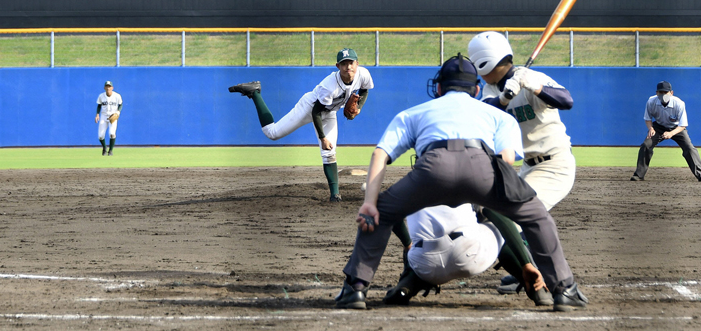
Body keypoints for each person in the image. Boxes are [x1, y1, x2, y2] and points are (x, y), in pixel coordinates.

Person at [334, 54, 587, 312]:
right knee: (536, 217)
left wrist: (370, 204)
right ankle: (564, 289)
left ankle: (355, 289)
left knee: (382, 211)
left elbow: (381, 154)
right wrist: (495, 195)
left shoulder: (415, 112)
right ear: (477, 90)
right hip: (483, 168)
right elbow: (506, 160)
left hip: (431, 169)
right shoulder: (496, 114)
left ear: (439, 88)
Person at [468, 30, 577, 295]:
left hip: (555, 165)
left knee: (514, 216)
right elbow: (489, 111)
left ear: (485, 63)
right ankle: (524, 270)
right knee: (495, 218)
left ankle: (546, 278)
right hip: (528, 167)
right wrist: (505, 98)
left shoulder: (531, 78)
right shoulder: (491, 90)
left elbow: (567, 101)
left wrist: (534, 86)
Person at [230, 48, 373, 202]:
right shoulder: (329, 86)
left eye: (351, 63)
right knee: (272, 133)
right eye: (344, 64)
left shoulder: (363, 74)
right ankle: (255, 92)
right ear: (338, 66)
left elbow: (364, 90)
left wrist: (359, 107)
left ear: (357, 63)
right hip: (310, 107)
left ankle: (335, 195)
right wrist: (322, 138)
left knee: (329, 153)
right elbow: (316, 112)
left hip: (330, 113)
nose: (348, 67)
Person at [383, 203, 554, 307]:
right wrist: (526, 264)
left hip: (424, 264)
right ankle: (536, 288)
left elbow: (388, 210)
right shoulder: (467, 175)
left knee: (417, 249)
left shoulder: (409, 183)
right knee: (499, 226)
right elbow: (497, 215)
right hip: (467, 255)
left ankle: (405, 286)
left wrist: (407, 243)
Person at [632, 81, 701, 182]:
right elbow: (647, 118)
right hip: (658, 127)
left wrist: (671, 133)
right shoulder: (651, 101)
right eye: (661, 92)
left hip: (676, 128)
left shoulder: (679, 103)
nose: (663, 94)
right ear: (657, 93)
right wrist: (651, 128)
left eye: (666, 92)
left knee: (689, 148)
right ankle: (639, 175)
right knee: (646, 145)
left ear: (671, 93)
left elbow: (683, 124)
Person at [95, 81, 123, 156]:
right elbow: (99, 105)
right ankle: (104, 148)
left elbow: (120, 104)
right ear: (104, 88)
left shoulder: (117, 96)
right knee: (100, 136)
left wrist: (118, 112)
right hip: (104, 116)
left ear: (112, 88)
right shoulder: (101, 96)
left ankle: (110, 150)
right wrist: (97, 114)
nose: (108, 88)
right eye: (107, 86)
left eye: (109, 86)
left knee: (112, 133)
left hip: (112, 116)